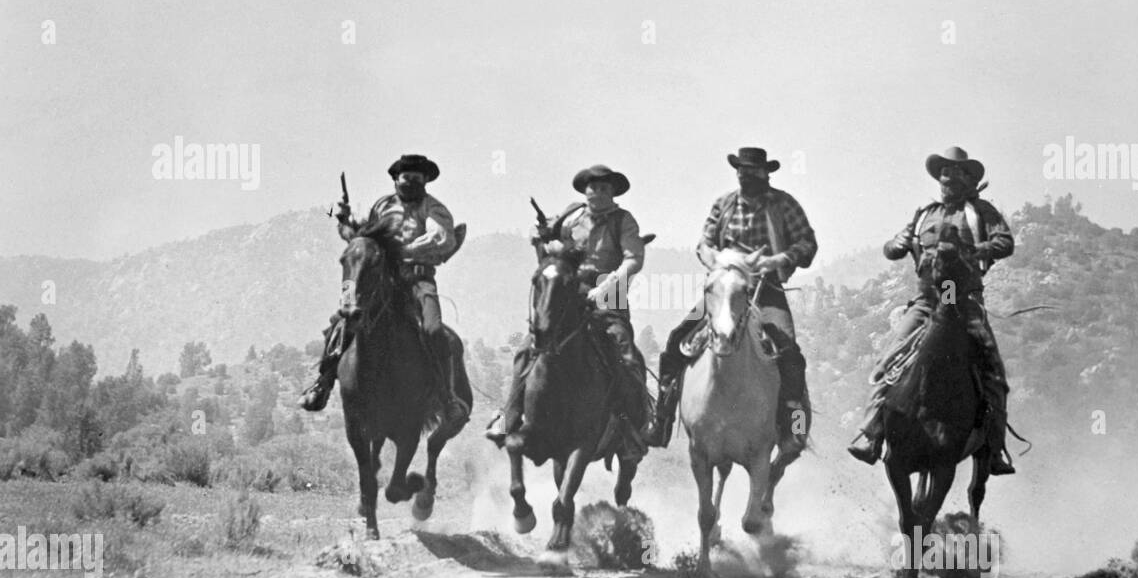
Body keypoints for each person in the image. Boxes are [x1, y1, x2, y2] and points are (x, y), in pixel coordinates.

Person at [847, 145, 1016, 474]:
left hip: (964, 301)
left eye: (955, 174)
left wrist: (974, 248)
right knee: (888, 361)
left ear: (968, 179)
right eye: (944, 174)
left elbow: (1005, 243)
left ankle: (994, 451)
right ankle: (871, 434)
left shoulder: (982, 212)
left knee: (994, 374)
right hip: (927, 300)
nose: (947, 179)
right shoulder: (925, 213)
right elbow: (894, 246)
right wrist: (893, 246)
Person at [648, 146, 818, 454]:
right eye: (742, 170)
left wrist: (779, 258)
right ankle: (662, 419)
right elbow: (704, 242)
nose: (747, 176)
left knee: (790, 353)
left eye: (753, 171)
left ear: (766, 173)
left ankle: (795, 429)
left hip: (767, 290)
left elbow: (808, 244)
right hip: (725, 288)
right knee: (676, 341)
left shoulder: (783, 205)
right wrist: (710, 256)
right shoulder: (724, 204)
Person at [485, 165, 650, 451]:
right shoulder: (572, 215)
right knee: (528, 349)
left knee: (626, 354)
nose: (596, 193)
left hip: (608, 296)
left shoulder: (623, 221)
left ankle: (630, 427)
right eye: (592, 187)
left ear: (612, 193)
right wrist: (540, 234)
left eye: (603, 188)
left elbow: (633, 259)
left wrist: (604, 288)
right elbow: (546, 236)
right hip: (568, 292)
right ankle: (508, 416)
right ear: (584, 190)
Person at [299, 154, 467, 420]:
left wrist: (402, 248)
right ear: (396, 180)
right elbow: (363, 236)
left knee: (434, 329)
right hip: (382, 278)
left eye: (417, 178)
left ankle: (447, 397)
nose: (410, 182)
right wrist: (343, 220)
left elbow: (440, 237)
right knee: (341, 321)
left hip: (418, 280)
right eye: (406, 177)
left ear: (425, 181)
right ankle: (324, 381)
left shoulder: (434, 209)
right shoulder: (383, 206)